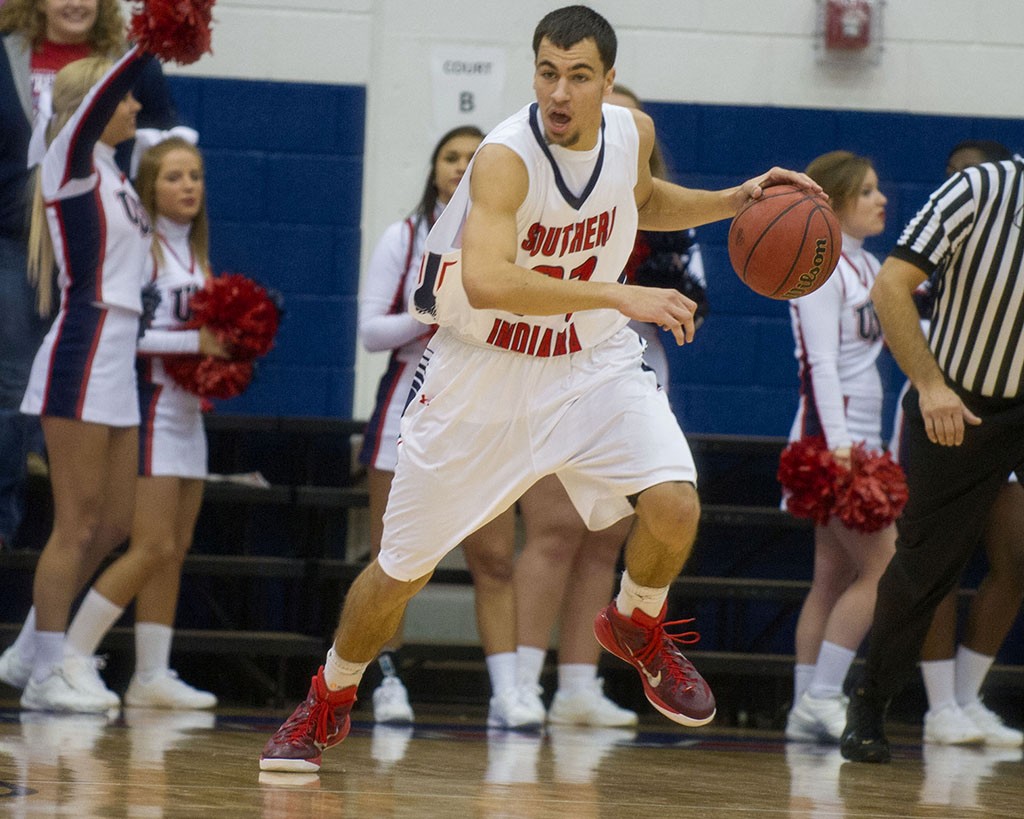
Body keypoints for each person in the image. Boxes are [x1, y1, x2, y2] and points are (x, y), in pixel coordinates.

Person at [259, 4, 821, 773]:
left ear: (607, 82)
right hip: (482, 372)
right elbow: (487, 280)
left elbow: (644, 199)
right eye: (547, 73)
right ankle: (331, 692)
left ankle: (637, 621)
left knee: (675, 500)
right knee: (400, 571)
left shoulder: (633, 134)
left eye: (578, 76)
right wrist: (620, 293)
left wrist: (737, 199)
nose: (559, 92)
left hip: (589, 364)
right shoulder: (505, 159)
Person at [509, 84, 708, 730]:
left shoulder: (664, 215)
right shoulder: (536, 189)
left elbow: (695, 299)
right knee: (554, 531)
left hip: (632, 371)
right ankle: (518, 683)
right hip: (552, 365)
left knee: (607, 542)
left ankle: (577, 685)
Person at [841, 140, 1024, 763]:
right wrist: (929, 384)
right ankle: (871, 705)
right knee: (926, 565)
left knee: (1018, 554)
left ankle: (965, 700)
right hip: (961, 400)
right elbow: (892, 284)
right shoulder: (978, 190)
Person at [357, 125, 532, 728]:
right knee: (395, 557)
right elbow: (371, 331)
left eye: (473, 156)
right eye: (450, 156)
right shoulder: (404, 236)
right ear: (434, 170)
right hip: (409, 401)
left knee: (495, 558)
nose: (461, 165)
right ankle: (385, 682)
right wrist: (430, 309)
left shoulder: (519, 236)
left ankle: (508, 693)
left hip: (486, 405)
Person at [0, 46, 156, 712]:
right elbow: (95, 102)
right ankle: (49, 670)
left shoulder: (116, 173)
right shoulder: (66, 161)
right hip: (81, 349)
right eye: (127, 97)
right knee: (75, 522)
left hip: (120, 354)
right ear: (97, 102)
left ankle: (32, 650)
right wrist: (147, 40)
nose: (137, 105)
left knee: (115, 523)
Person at [0, 0, 175, 553]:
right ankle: (7, 519)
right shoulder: (13, 61)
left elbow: (163, 136)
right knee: (11, 383)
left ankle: (50, 630)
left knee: (97, 525)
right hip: (21, 245)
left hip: (94, 271)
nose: (76, 2)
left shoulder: (115, 164)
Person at [781, 151, 894, 744]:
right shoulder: (818, 267)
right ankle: (824, 697)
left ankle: (807, 706)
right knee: (885, 565)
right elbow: (821, 363)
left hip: (860, 435)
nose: (881, 199)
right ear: (834, 200)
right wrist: (843, 449)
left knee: (832, 575)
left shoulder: (869, 264)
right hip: (835, 436)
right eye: (868, 191)